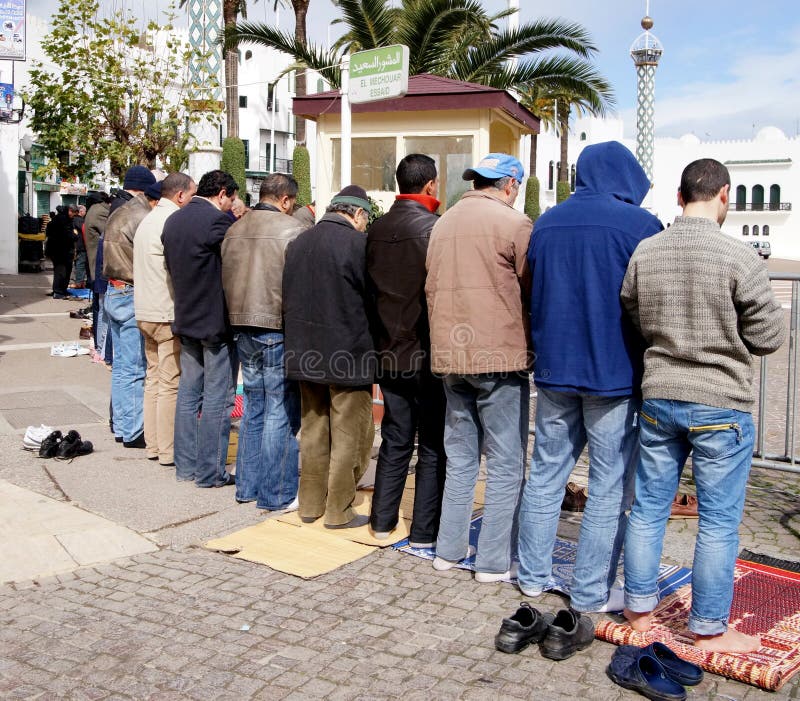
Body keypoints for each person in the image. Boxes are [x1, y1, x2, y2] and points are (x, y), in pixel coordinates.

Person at [621, 158, 786, 653]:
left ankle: (638, 609)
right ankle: (708, 628)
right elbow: (769, 336)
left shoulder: (647, 251)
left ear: (679, 196)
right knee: (717, 521)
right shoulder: (739, 256)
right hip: (720, 403)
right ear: (724, 195)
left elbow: (633, 308)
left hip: (660, 396)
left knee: (648, 509)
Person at [516, 141, 663, 614]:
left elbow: (531, 287)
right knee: (607, 486)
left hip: (555, 368)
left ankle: (531, 577)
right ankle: (590, 591)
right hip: (614, 372)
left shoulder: (547, 222)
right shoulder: (640, 225)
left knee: (545, 475)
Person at [425, 153, 532, 581]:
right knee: (505, 462)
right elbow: (531, 285)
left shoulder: (443, 223)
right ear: (510, 185)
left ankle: (448, 550)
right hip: (498, 356)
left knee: (462, 457)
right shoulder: (514, 223)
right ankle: (492, 561)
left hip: (451, 354)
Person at [283, 185, 376, 528]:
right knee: (350, 435)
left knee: (313, 430)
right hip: (348, 353)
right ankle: (339, 509)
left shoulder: (298, 242)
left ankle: (310, 505)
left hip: (304, 352)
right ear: (358, 214)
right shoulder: (358, 245)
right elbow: (372, 300)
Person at [366, 154, 446, 547]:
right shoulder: (435, 229)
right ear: (430, 185)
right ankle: (424, 531)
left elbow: (369, 292)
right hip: (425, 352)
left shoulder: (376, 229)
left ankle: (382, 522)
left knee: (396, 438)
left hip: (389, 349)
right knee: (431, 443)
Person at [222, 173, 304, 510]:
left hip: (242, 324)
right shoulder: (293, 229)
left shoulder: (234, 228)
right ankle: (276, 493)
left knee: (255, 407)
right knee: (278, 408)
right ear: (285, 200)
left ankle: (248, 486)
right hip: (275, 327)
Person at [162, 169, 239, 488]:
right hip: (213, 322)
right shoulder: (217, 222)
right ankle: (210, 471)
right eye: (231, 199)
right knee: (218, 399)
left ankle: (186, 466)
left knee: (188, 394)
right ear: (221, 194)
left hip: (186, 316)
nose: (231, 205)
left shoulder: (173, 220)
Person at [133, 172, 197, 467]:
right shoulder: (172, 221)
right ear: (180, 195)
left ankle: (154, 445)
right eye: (192, 195)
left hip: (145, 310)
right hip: (164, 313)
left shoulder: (148, 220)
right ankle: (168, 450)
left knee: (154, 379)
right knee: (169, 383)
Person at [102, 165, 157, 448]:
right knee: (134, 368)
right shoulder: (141, 214)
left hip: (114, 290)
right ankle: (134, 431)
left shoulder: (118, 211)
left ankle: (123, 426)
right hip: (130, 290)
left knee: (122, 367)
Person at [45, 205, 76, 299]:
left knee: (59, 271)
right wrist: (75, 236)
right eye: (73, 213)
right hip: (63, 250)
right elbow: (68, 235)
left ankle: (59, 290)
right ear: (69, 211)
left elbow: (48, 232)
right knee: (63, 271)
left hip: (55, 250)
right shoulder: (65, 221)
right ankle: (59, 291)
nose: (74, 215)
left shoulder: (55, 219)